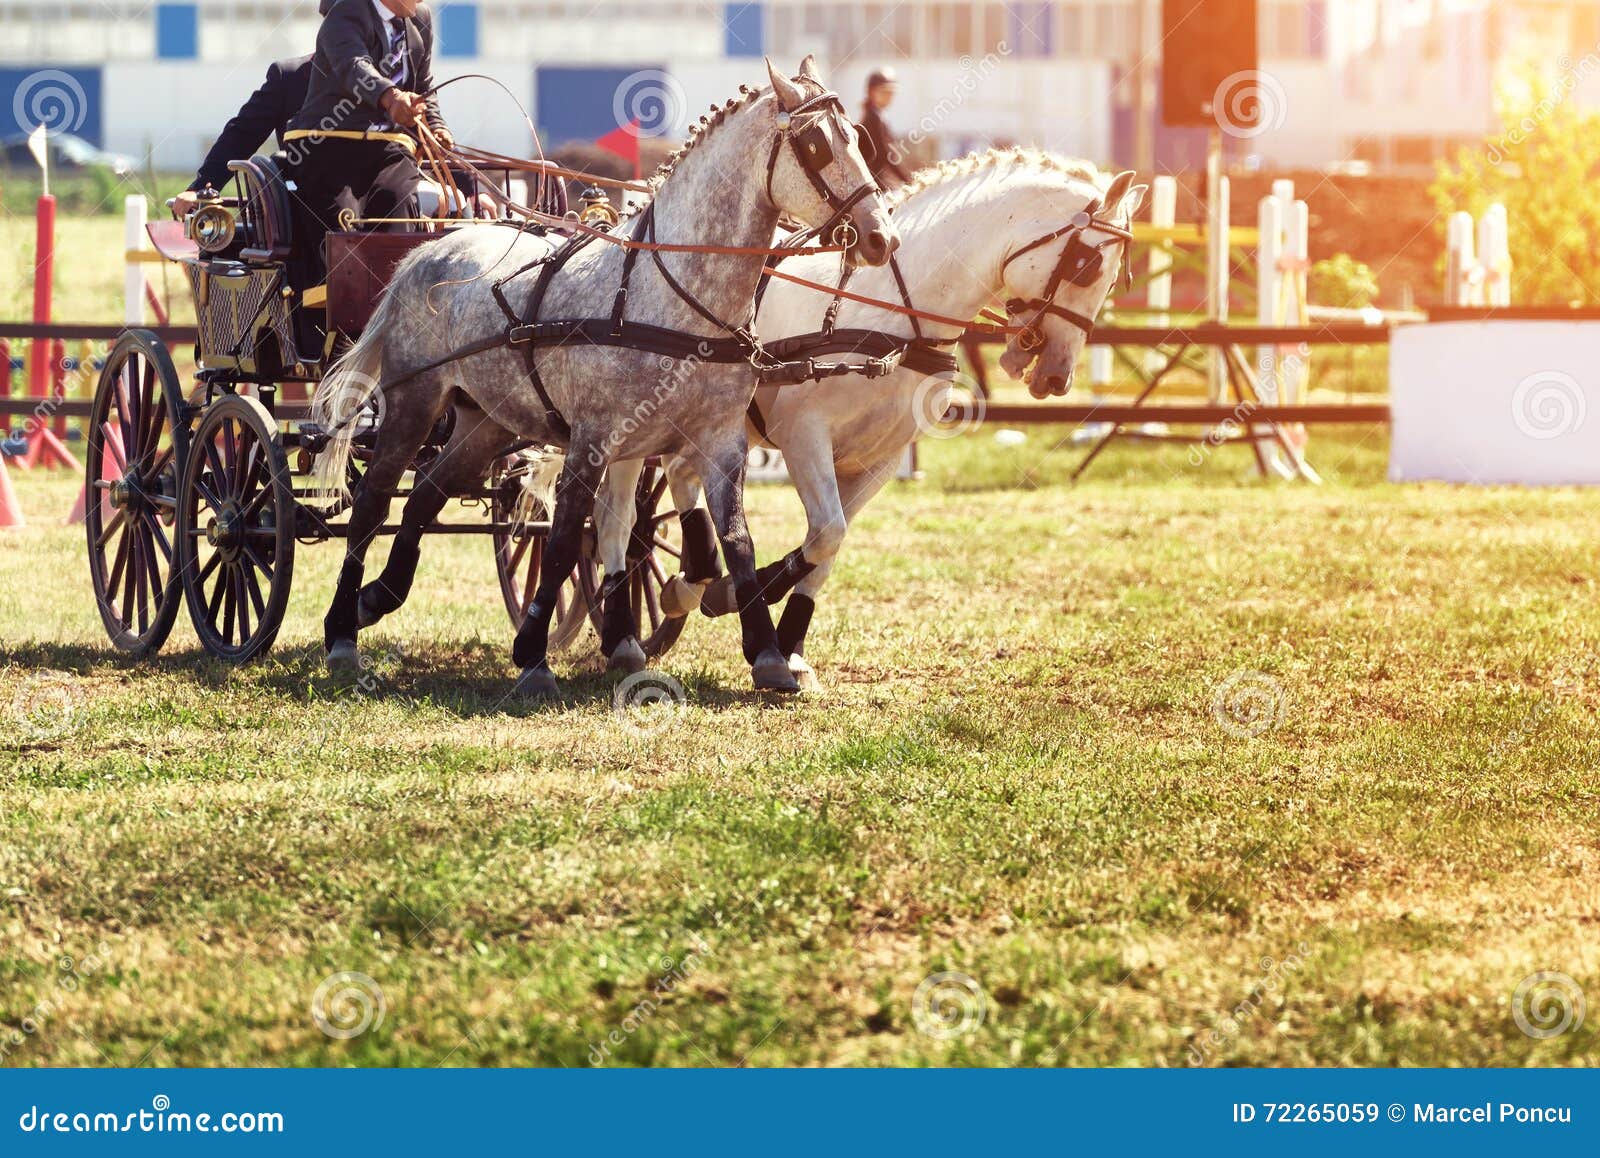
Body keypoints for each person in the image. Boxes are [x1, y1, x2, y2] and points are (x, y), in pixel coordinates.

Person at [285, 0, 455, 281]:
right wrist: (391, 97)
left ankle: (394, 297)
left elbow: (423, 85)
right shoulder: (345, 12)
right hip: (329, 146)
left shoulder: (419, 17)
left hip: (388, 148)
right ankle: (343, 299)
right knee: (345, 228)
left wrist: (436, 126)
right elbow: (354, 66)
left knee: (398, 211)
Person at [171, 0, 337, 218]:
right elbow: (241, 135)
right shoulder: (289, 77)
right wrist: (200, 188)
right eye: (341, 24)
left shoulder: (390, 80)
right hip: (306, 212)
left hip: (377, 208)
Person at [859, 67, 912, 186]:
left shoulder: (877, 115)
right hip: (877, 184)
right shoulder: (873, 119)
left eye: (891, 93)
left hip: (881, 181)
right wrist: (909, 181)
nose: (889, 96)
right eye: (884, 92)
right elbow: (887, 156)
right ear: (871, 92)